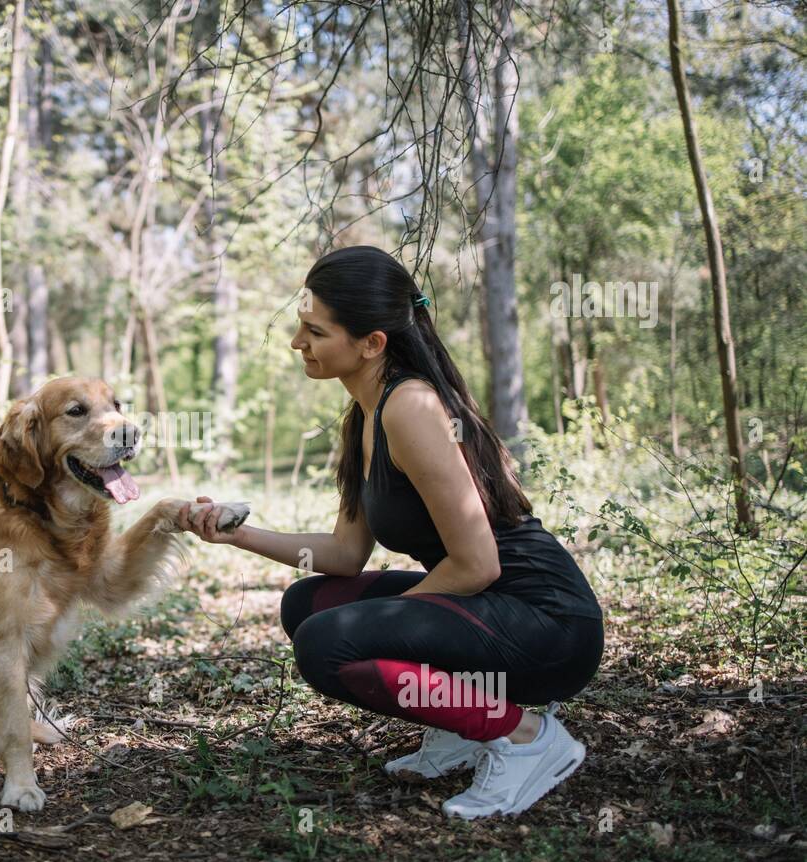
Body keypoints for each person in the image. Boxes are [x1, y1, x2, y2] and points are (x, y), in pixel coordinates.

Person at [177, 245, 604, 819]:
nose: (297, 342)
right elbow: (347, 554)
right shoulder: (365, 415)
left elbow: (479, 564)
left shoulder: (412, 407)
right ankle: (459, 726)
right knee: (309, 604)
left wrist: (390, 625)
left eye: (315, 331)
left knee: (329, 642)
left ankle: (525, 735)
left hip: (548, 623)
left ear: (372, 342)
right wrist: (240, 536)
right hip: (484, 608)